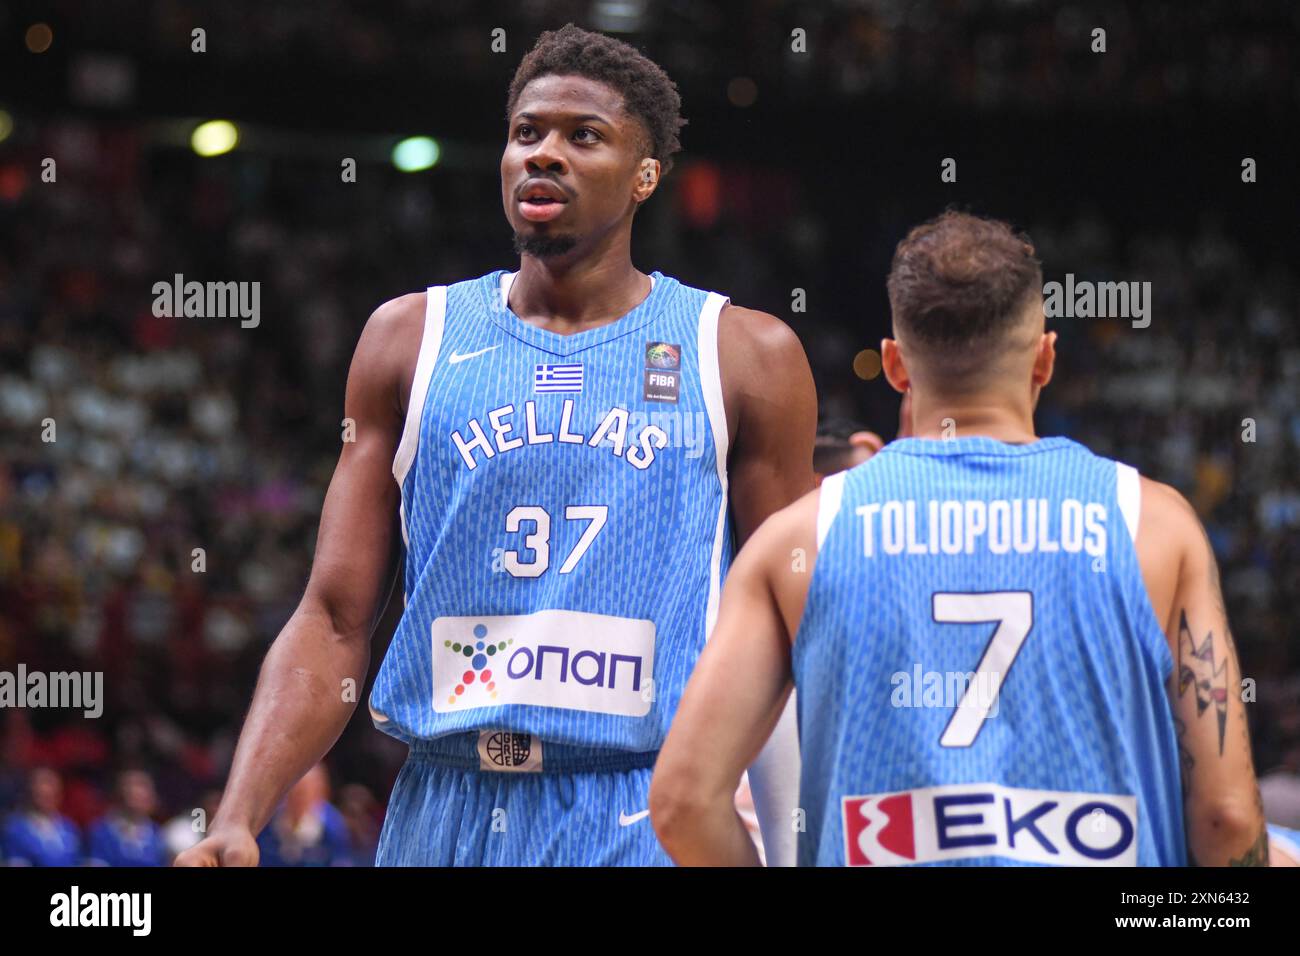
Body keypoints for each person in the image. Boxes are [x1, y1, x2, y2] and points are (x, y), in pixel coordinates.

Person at [178, 23, 815, 868]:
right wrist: (237, 815)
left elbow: (797, 619)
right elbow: (333, 618)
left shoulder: (741, 352)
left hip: (642, 801)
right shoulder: (410, 339)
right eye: (527, 134)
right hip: (443, 800)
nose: (543, 155)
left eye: (583, 137)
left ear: (645, 176)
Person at [652, 210, 1268, 866]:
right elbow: (1227, 818)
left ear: (893, 366)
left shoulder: (798, 538)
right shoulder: (1156, 525)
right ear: (1045, 359)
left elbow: (684, 803)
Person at [2, 767, 82, 866]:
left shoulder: (69, 827)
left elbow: (78, 861)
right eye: (42, 796)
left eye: (52, 794)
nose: (48, 799)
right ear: (31, 793)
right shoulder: (16, 830)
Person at [86, 769, 166, 866]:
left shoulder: (157, 834)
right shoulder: (101, 832)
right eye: (133, 791)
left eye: (144, 788)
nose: (139, 794)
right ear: (120, 794)